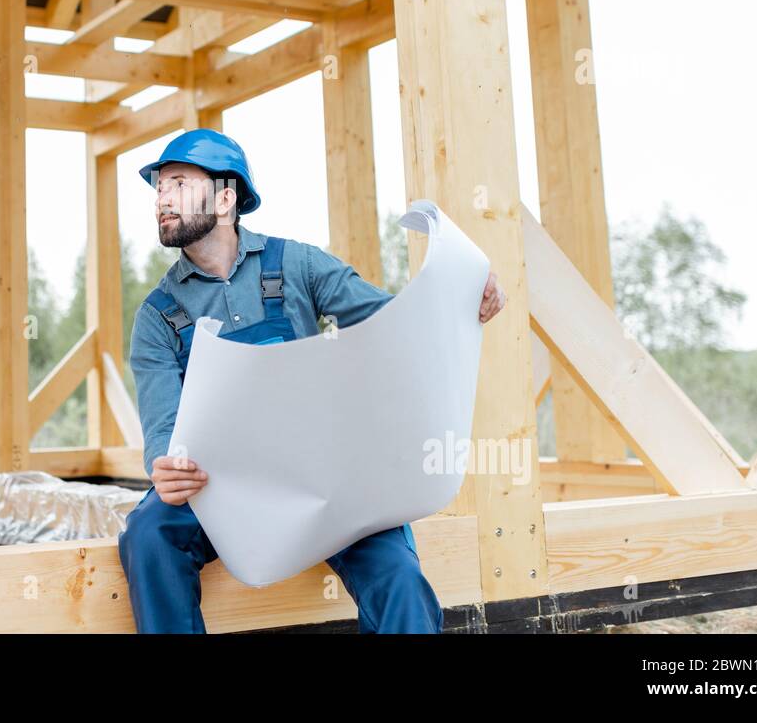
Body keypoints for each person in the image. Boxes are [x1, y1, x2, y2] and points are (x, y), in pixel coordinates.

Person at [118, 128, 506, 633]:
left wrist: (465, 290)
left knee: (398, 578)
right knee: (148, 533)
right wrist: (166, 467)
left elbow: (396, 326)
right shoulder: (157, 317)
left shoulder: (297, 264)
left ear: (225, 198)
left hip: (325, 474)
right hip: (224, 488)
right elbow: (164, 431)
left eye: (176, 182)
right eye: (158, 188)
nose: (161, 198)